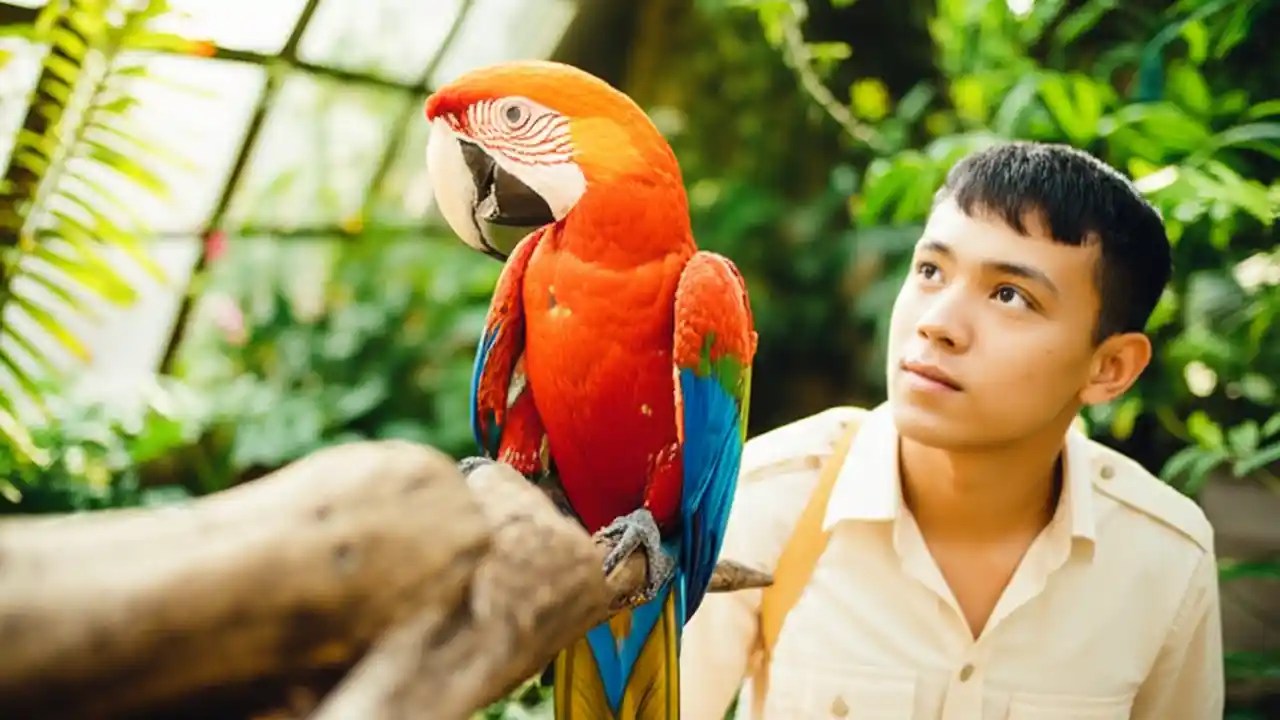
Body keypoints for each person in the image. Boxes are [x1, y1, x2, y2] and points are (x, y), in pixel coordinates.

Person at [679, 141, 1224, 719]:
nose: (936, 324)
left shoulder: (1162, 560)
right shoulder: (764, 501)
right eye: (931, 271)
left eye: (1010, 296)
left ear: (1109, 367)